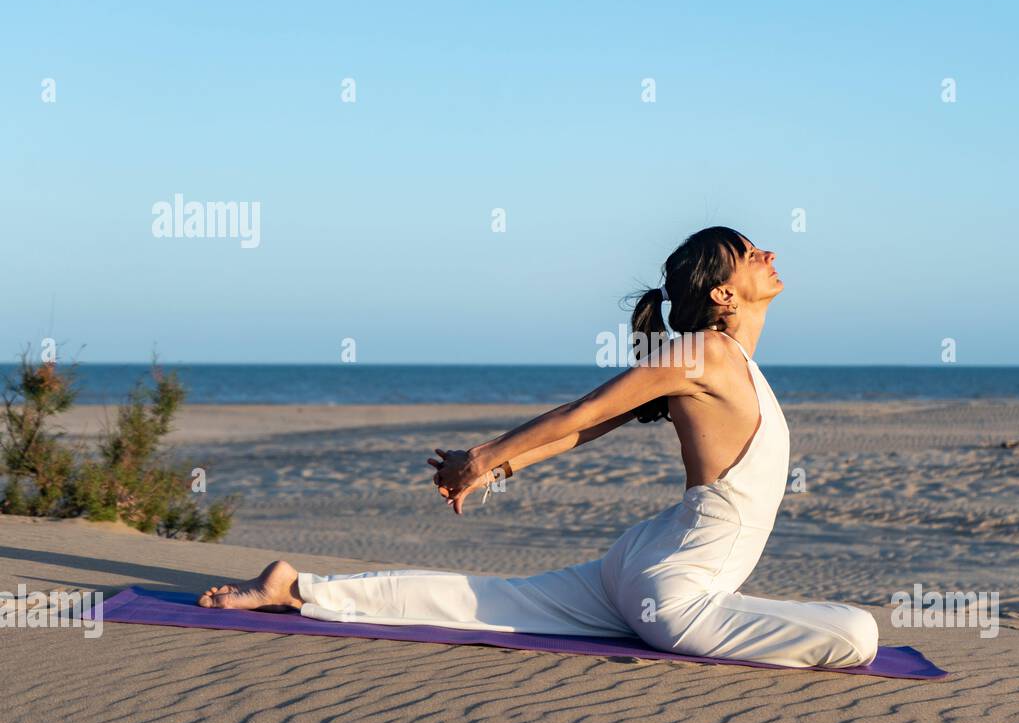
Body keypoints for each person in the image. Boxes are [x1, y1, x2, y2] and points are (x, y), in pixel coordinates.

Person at [197, 227, 879, 669]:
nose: (771, 255)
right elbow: (585, 410)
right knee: (859, 636)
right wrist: (484, 460)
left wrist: (498, 466)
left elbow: (586, 428)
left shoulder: (715, 358)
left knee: (485, 602)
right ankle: (300, 590)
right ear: (724, 291)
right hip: (672, 590)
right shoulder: (703, 353)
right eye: (752, 252)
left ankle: (300, 588)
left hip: (648, 564)